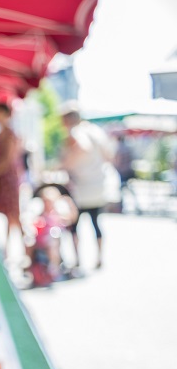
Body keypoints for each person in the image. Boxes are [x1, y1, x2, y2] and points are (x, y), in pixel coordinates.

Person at [60, 104, 114, 269]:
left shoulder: (76, 132)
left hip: (81, 187)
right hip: (98, 185)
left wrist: (63, 165)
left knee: (74, 225)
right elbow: (109, 155)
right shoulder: (96, 130)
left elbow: (82, 147)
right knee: (96, 223)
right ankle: (99, 258)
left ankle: (78, 260)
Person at [0, 103, 24, 257]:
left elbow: (8, 160)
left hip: (9, 177)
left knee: (13, 213)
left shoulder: (10, 135)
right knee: (8, 214)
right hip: (3, 177)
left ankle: (24, 249)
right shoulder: (2, 134)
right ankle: (9, 248)